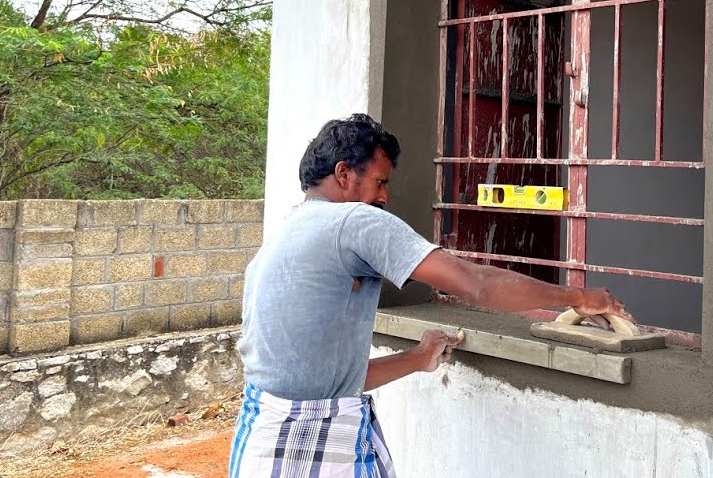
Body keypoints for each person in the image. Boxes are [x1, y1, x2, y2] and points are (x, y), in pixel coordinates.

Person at [229, 113, 630, 477]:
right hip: (312, 445)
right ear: (344, 174)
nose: (384, 196)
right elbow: (477, 284)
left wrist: (418, 358)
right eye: (380, 181)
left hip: (261, 437)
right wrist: (578, 296)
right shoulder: (355, 220)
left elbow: (325, 380)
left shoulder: (288, 229)